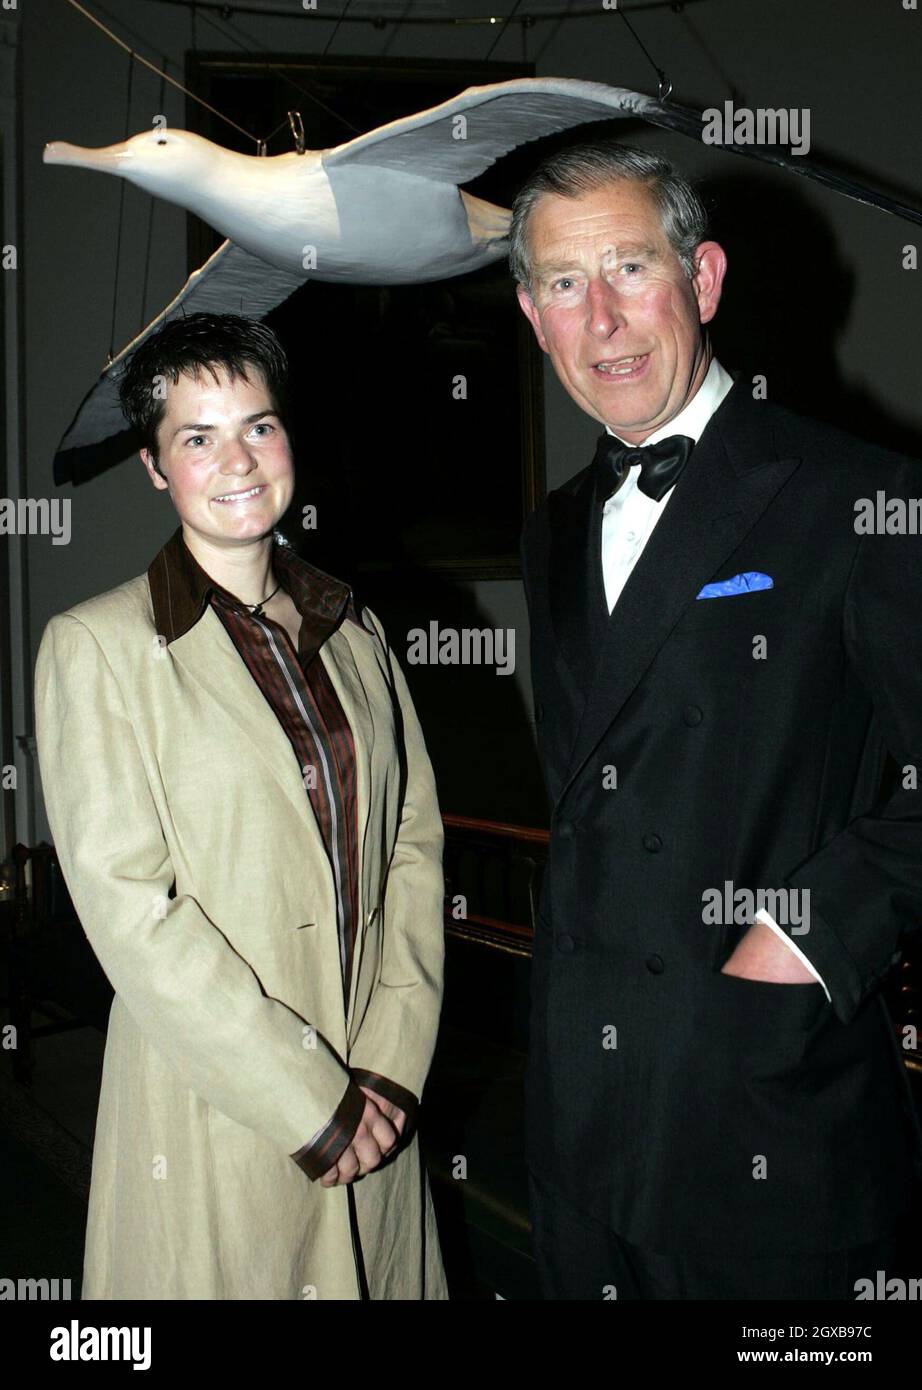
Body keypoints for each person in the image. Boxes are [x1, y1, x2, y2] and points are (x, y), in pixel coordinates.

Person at [512, 140, 922, 1300]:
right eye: (561, 285)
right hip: (580, 1120)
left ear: (702, 279)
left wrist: (811, 931)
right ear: (534, 318)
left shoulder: (859, 497)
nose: (602, 320)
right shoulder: (548, 531)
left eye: (630, 268)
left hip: (763, 1110)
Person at [34, 312, 448, 1300]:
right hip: (219, 1104)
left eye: (258, 425)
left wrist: (386, 1070)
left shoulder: (355, 631)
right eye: (197, 436)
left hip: (375, 1097)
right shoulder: (96, 647)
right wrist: (312, 1101)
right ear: (153, 467)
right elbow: (132, 911)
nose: (237, 459)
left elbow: (414, 845)